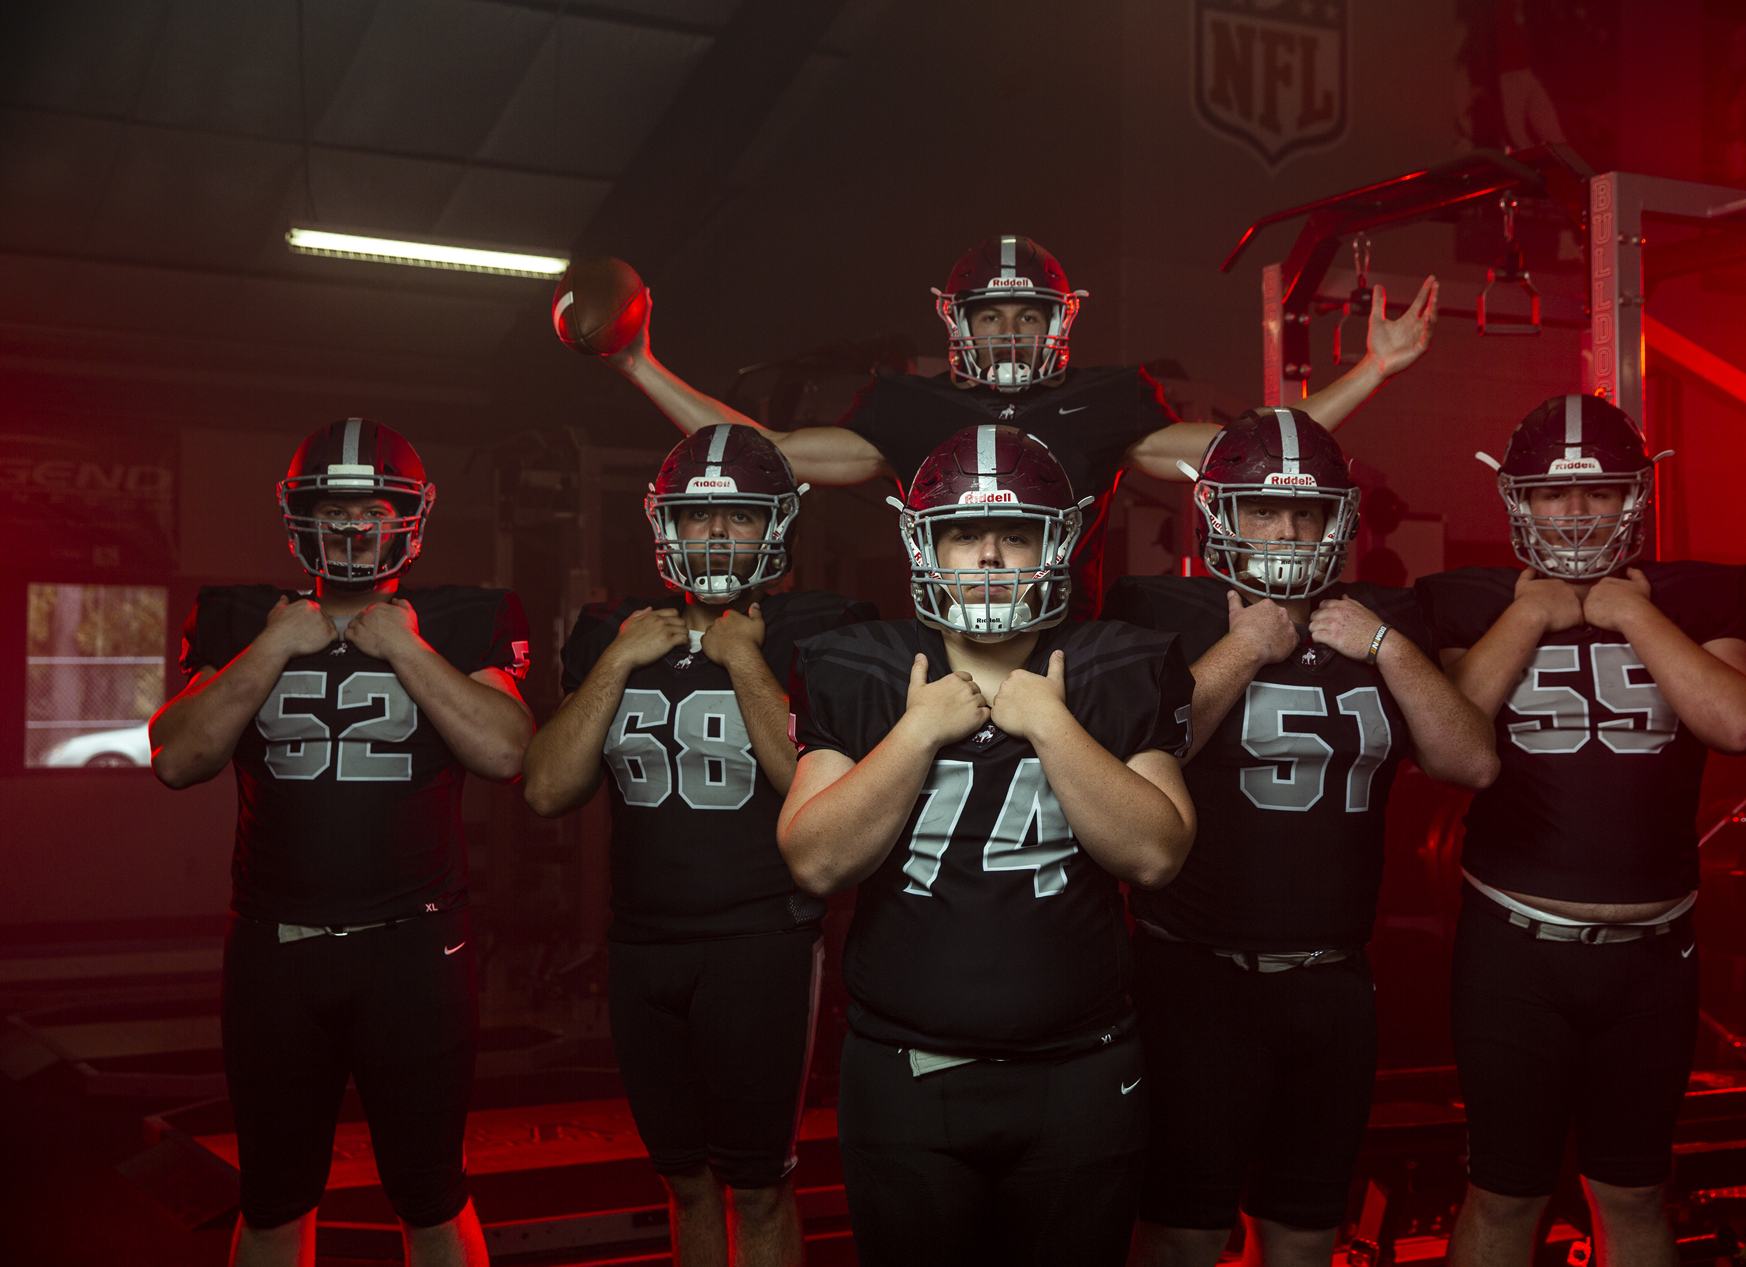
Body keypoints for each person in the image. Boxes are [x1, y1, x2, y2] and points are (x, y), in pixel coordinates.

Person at [777, 425, 1197, 1266]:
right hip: (907, 1071)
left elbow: (1155, 855)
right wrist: (916, 734)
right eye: (965, 533)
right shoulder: (863, 664)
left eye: (1017, 533)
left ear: (1060, 540)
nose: (992, 557)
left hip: (1081, 1071)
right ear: (924, 542)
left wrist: (1051, 723)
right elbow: (816, 860)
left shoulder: (1115, 664)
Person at [1102, 409, 1499, 1267]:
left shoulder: (1387, 615)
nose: (1286, 530)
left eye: (1308, 512)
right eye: (1263, 511)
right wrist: (1244, 647)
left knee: (1306, 1233)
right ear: (1219, 515)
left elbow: (1471, 763)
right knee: (1182, 1233)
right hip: (1195, 978)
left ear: (1337, 521)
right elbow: (1137, 764)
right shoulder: (1161, 608)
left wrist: (1386, 646)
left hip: (1332, 985)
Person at [149, 419, 534, 1267]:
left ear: (409, 518)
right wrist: (274, 645)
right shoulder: (246, 616)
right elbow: (178, 758)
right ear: (302, 519)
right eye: (335, 509)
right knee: (275, 1197)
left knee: (431, 1194)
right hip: (273, 950)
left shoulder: (461, 616)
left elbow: (509, 750)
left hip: (415, 951)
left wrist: (406, 647)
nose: (355, 527)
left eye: (373, 509)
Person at [587, 235, 1438, 614]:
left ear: (1058, 323)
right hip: (947, 648)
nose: (1009, 333)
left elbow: (1253, 459)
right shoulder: (911, 408)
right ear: (955, 322)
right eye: (991, 316)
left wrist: (1371, 370)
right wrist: (640, 365)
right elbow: (756, 458)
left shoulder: (1107, 399)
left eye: (1026, 316)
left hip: (1071, 647)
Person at [1415, 396, 1746, 1267]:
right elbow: (1454, 748)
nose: (1575, 515)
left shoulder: (1701, 592)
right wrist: (1533, 614)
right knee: (1504, 1194)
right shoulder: (1465, 601)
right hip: (1514, 952)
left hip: (1653, 955)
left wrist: (1634, 614)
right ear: (1517, 502)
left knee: (1637, 1191)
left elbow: (1738, 726)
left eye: (1601, 494)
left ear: (1635, 498)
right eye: (1550, 496)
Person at [522, 425, 875, 1267]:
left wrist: (746, 665)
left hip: (761, 943)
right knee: (681, 1180)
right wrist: (615, 664)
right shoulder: (618, 633)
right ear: (665, 528)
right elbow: (544, 788)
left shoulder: (820, 632)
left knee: (757, 1185)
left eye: (739, 519)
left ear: (777, 528)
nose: (716, 537)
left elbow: (824, 798)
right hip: (642, 942)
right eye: (697, 519)